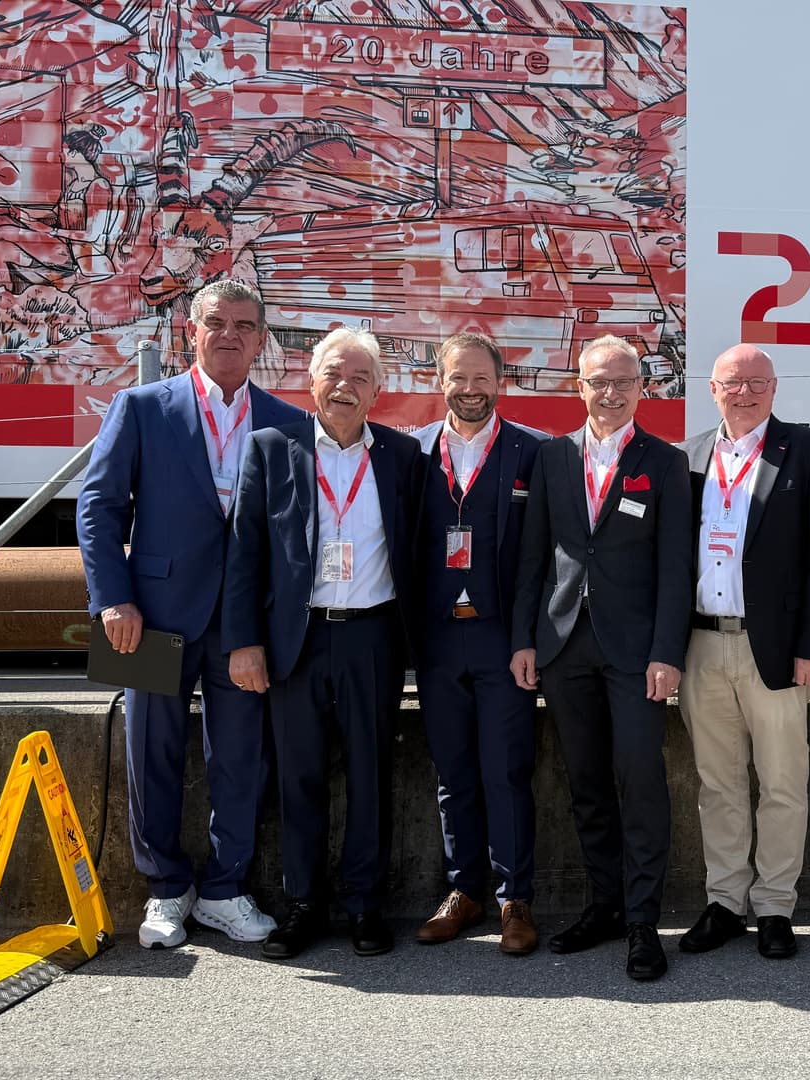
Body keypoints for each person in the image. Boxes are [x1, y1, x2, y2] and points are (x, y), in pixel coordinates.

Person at [77, 278, 304, 949]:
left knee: (240, 759)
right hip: (147, 615)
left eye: (244, 325)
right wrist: (111, 598)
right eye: (215, 322)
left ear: (261, 339)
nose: (228, 335)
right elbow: (99, 509)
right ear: (191, 330)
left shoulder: (287, 421)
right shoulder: (141, 407)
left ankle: (227, 890)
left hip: (241, 626)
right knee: (151, 753)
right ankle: (167, 890)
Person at [221, 327, 424, 960]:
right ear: (312, 381)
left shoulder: (402, 456)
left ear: (379, 392)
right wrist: (243, 643)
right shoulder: (271, 449)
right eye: (335, 373)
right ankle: (303, 903)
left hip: (372, 639)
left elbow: (419, 550)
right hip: (298, 641)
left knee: (370, 774)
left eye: (361, 377)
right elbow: (244, 555)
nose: (345, 386)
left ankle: (365, 905)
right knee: (299, 776)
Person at [510, 335, 691, 981]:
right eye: (597, 382)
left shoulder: (664, 463)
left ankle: (644, 922)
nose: (609, 394)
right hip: (563, 645)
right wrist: (524, 639)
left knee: (640, 782)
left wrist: (667, 652)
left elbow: (676, 569)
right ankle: (605, 905)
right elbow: (534, 556)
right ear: (578, 387)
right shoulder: (551, 457)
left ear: (643, 388)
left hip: (637, 652)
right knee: (585, 784)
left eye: (622, 382)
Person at [675, 344, 810, 960]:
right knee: (716, 783)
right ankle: (724, 901)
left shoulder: (809, 451)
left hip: (775, 648)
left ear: (774, 389)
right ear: (712, 389)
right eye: (732, 383)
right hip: (701, 643)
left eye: (756, 383)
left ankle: (775, 905)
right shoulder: (687, 458)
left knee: (782, 783)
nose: (744, 393)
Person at [408, 333, 547, 955]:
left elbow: (543, 559)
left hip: (502, 642)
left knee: (506, 769)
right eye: (458, 378)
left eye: (481, 378)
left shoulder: (532, 454)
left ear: (501, 380)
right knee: (454, 772)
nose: (470, 389)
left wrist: (528, 638)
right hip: (437, 640)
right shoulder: (411, 454)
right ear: (440, 382)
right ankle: (463, 891)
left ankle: (515, 898)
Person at [0, 124, 120, 291]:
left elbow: (93, 234)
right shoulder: (75, 184)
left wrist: (50, 231)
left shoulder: (99, 186)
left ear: (76, 153)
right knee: (0, 248)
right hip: (63, 247)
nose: (62, 155)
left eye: (65, 151)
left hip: (79, 254)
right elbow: (55, 213)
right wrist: (26, 215)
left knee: (1, 232)